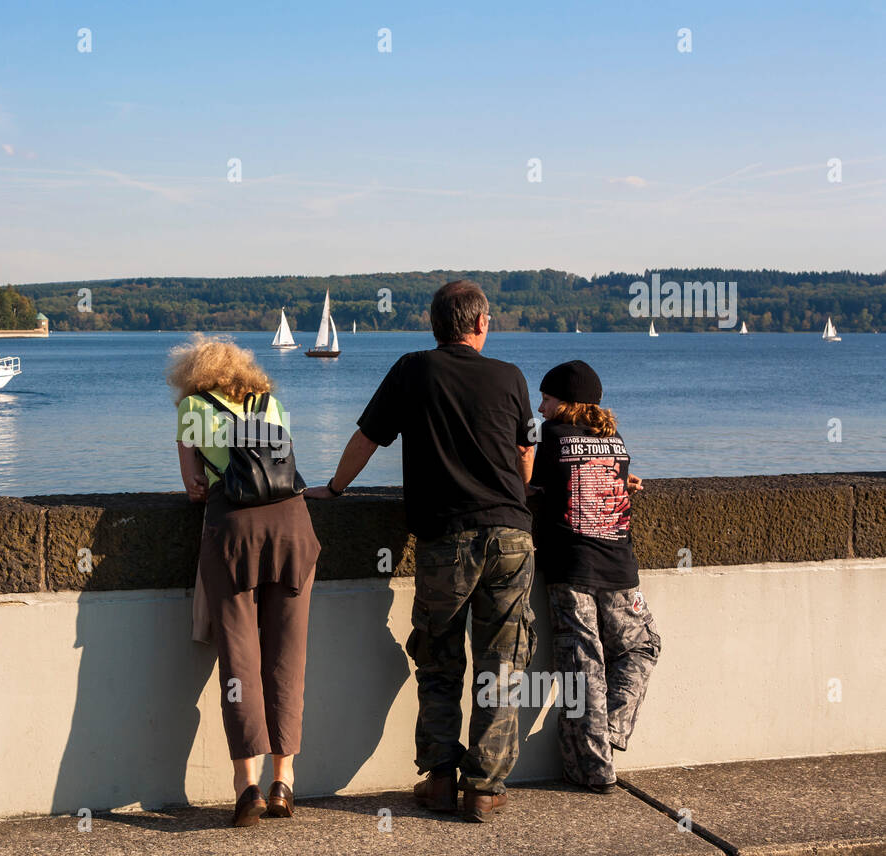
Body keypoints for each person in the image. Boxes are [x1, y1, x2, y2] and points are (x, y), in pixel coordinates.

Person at [307, 280, 536, 823]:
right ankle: (484, 787)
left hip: (443, 540)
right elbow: (527, 455)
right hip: (509, 534)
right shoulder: (511, 377)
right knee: (501, 663)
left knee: (438, 659)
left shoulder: (413, 369)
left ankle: (438, 779)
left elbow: (367, 436)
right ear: (481, 324)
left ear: (436, 326)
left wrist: (335, 489)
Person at [168, 335, 320, 827]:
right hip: (293, 527)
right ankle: (284, 782)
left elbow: (194, 488)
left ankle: (246, 787)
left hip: (232, 531)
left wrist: (208, 477)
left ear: (192, 374)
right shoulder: (270, 401)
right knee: (287, 655)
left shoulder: (193, 406)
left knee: (239, 658)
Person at [530, 360, 660, 793]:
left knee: (582, 668)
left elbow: (526, 482)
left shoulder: (548, 438)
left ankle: (593, 766)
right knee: (641, 647)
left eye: (547, 398)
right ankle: (614, 731)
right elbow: (604, 480)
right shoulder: (614, 440)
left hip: (571, 568)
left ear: (566, 402)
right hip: (619, 566)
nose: (540, 406)